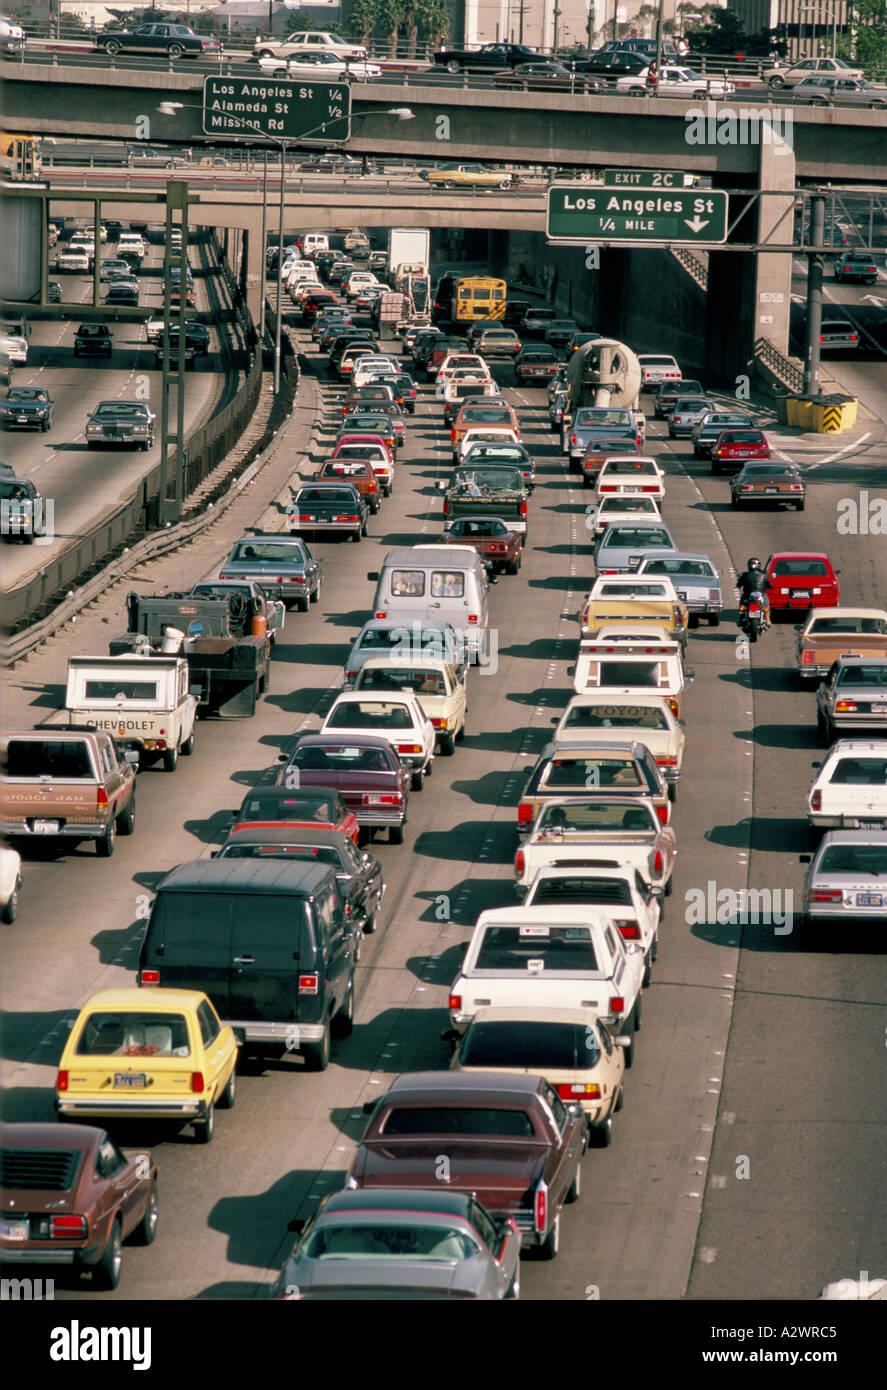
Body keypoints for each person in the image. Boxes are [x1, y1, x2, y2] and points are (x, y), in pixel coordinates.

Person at [736, 557, 771, 629]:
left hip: (748, 595)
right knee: (766, 605)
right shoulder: (763, 575)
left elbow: (739, 584)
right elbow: (769, 585)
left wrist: (738, 585)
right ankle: (768, 620)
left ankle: (740, 618)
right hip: (760, 595)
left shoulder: (745, 575)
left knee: (742, 605)